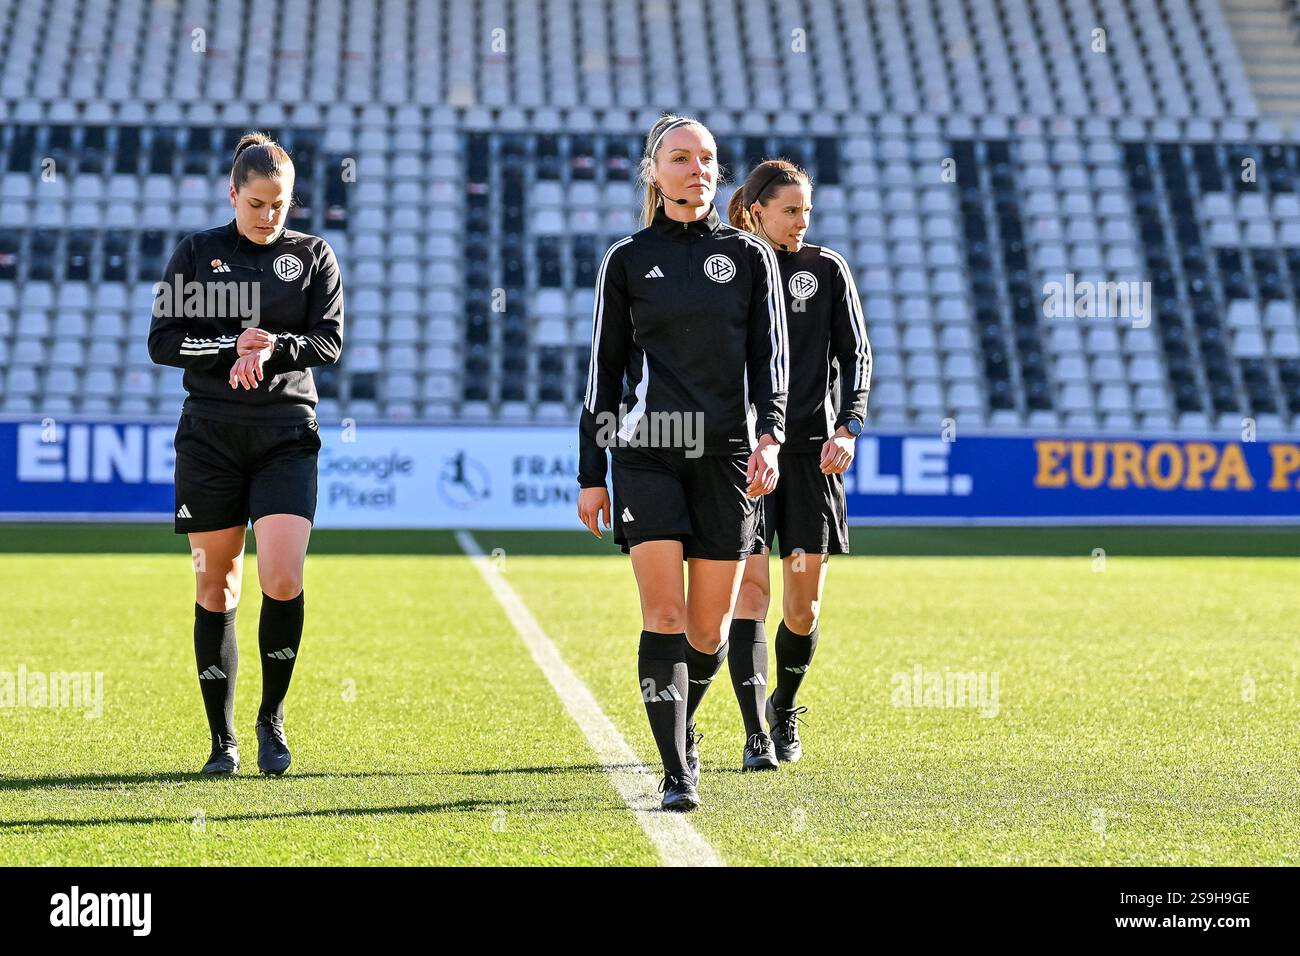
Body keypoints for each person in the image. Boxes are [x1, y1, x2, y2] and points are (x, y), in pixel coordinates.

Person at [577, 114, 790, 810]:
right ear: (654, 172)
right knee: (663, 614)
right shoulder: (627, 259)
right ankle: (676, 770)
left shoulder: (752, 257)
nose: (696, 169)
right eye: (680, 158)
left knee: (708, 631)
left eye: (706, 158)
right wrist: (590, 472)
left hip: (728, 457)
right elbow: (604, 375)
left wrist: (771, 438)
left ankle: (685, 721)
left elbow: (770, 365)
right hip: (648, 456)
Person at [147, 132, 344, 776]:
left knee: (282, 576)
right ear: (233, 193)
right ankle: (221, 740)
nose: (268, 215)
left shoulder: (314, 256)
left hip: (287, 432)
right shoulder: (198, 253)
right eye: (257, 202)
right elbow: (163, 341)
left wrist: (271, 346)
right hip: (209, 438)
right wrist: (232, 348)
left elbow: (328, 343)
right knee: (214, 583)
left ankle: (271, 719)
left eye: (279, 204)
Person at [725, 158, 871, 764]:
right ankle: (755, 730)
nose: (801, 222)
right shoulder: (725, 267)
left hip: (812, 458)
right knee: (750, 592)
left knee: (803, 607)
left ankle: (784, 706)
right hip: (748, 456)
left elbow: (856, 354)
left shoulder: (825, 269)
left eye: (807, 211)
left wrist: (850, 426)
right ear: (757, 210)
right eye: (790, 211)